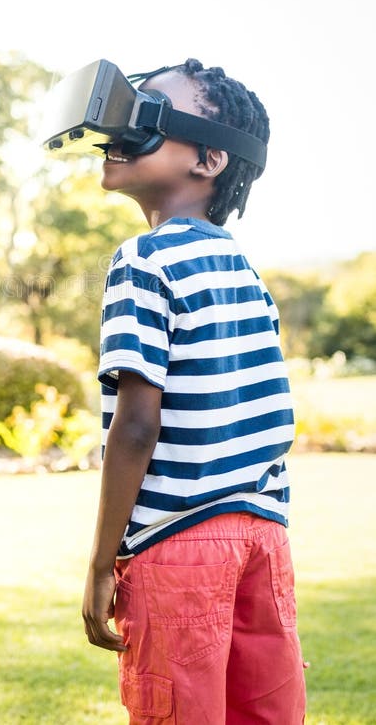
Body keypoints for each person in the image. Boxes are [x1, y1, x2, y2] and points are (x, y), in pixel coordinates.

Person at [81, 59, 307, 724]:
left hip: (177, 541)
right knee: (264, 712)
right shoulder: (246, 270)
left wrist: (101, 563)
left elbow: (136, 427)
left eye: (147, 112)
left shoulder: (143, 259)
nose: (119, 129)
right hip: (264, 538)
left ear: (208, 159)